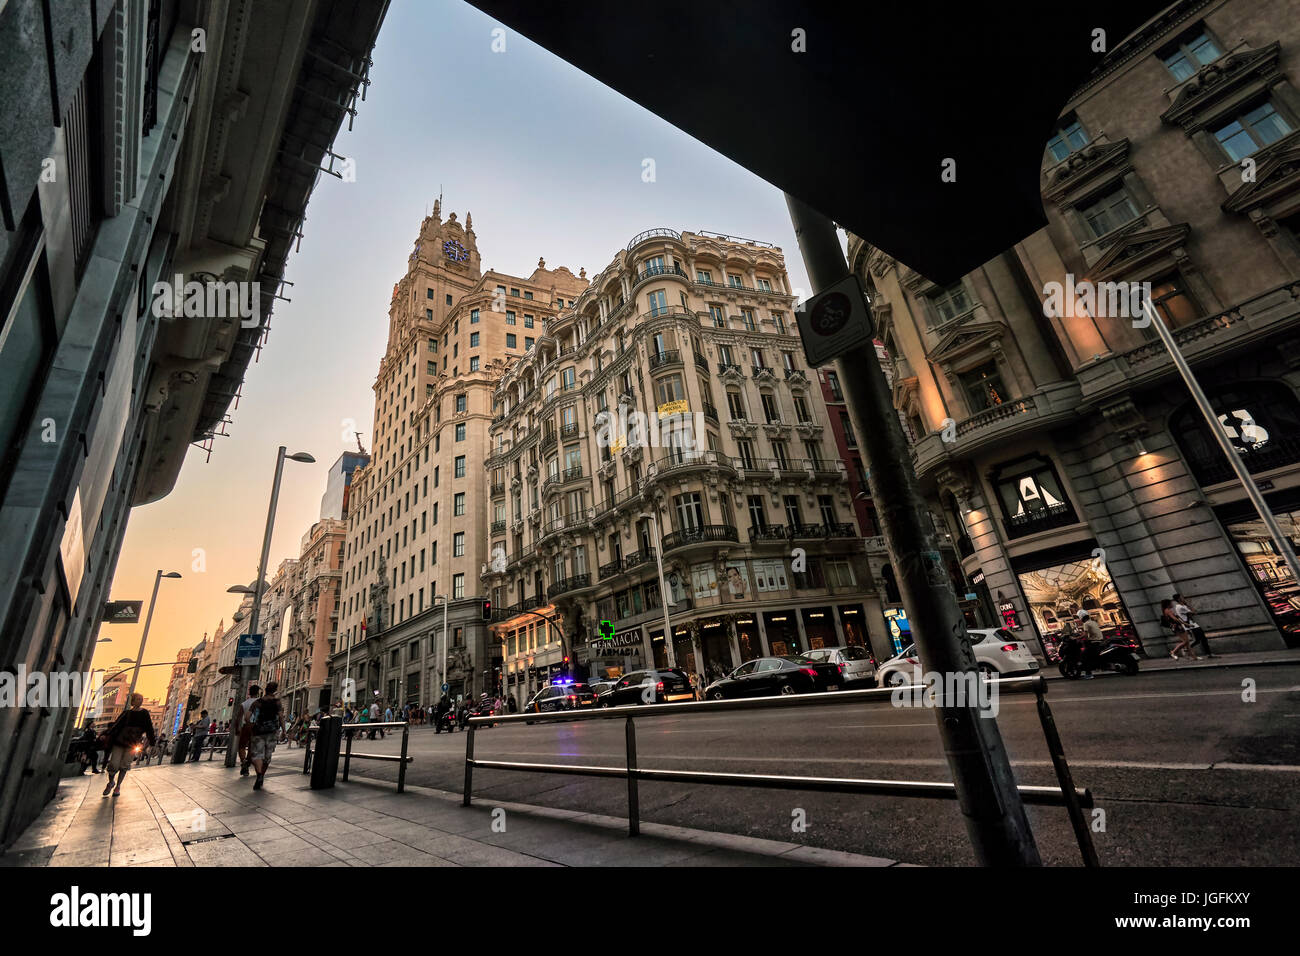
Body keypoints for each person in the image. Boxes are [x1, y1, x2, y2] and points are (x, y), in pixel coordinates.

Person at [101, 693, 156, 797]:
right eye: (138, 699)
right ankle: (111, 782)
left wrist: (152, 741)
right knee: (113, 764)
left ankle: (118, 786)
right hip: (120, 741)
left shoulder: (145, 713)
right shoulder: (126, 713)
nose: (140, 701)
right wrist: (107, 734)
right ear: (133, 701)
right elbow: (116, 725)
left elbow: (149, 727)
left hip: (133, 743)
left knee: (125, 765)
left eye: (141, 699)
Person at [247, 681, 282, 791]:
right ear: (275, 691)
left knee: (257, 755)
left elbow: (247, 717)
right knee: (267, 756)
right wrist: (284, 730)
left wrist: (251, 726)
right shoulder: (277, 702)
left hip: (258, 731)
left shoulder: (257, 702)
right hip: (272, 732)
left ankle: (259, 775)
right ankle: (261, 775)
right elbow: (281, 717)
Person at [1173, 593, 1213, 658]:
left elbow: (1192, 613)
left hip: (1193, 624)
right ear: (1179, 599)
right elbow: (1194, 612)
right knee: (1200, 639)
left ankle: (1187, 649)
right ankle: (1186, 649)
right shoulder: (1180, 607)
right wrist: (1187, 605)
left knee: (1199, 639)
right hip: (1190, 625)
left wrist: (1186, 606)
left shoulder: (1182, 606)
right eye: (1182, 597)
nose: (1183, 598)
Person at [237, 684, 261, 776]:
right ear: (258, 693)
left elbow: (239, 717)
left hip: (246, 726)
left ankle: (243, 761)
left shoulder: (244, 703)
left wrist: (237, 728)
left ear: (249, 693)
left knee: (241, 746)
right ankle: (247, 764)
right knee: (252, 747)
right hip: (256, 727)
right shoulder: (260, 702)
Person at [1075, 609, 1105, 679]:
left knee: (1084, 656)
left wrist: (1077, 638)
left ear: (1081, 617)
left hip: (1094, 643)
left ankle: (1089, 674)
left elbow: (1085, 635)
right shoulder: (1093, 622)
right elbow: (1088, 633)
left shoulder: (1086, 624)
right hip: (1100, 642)